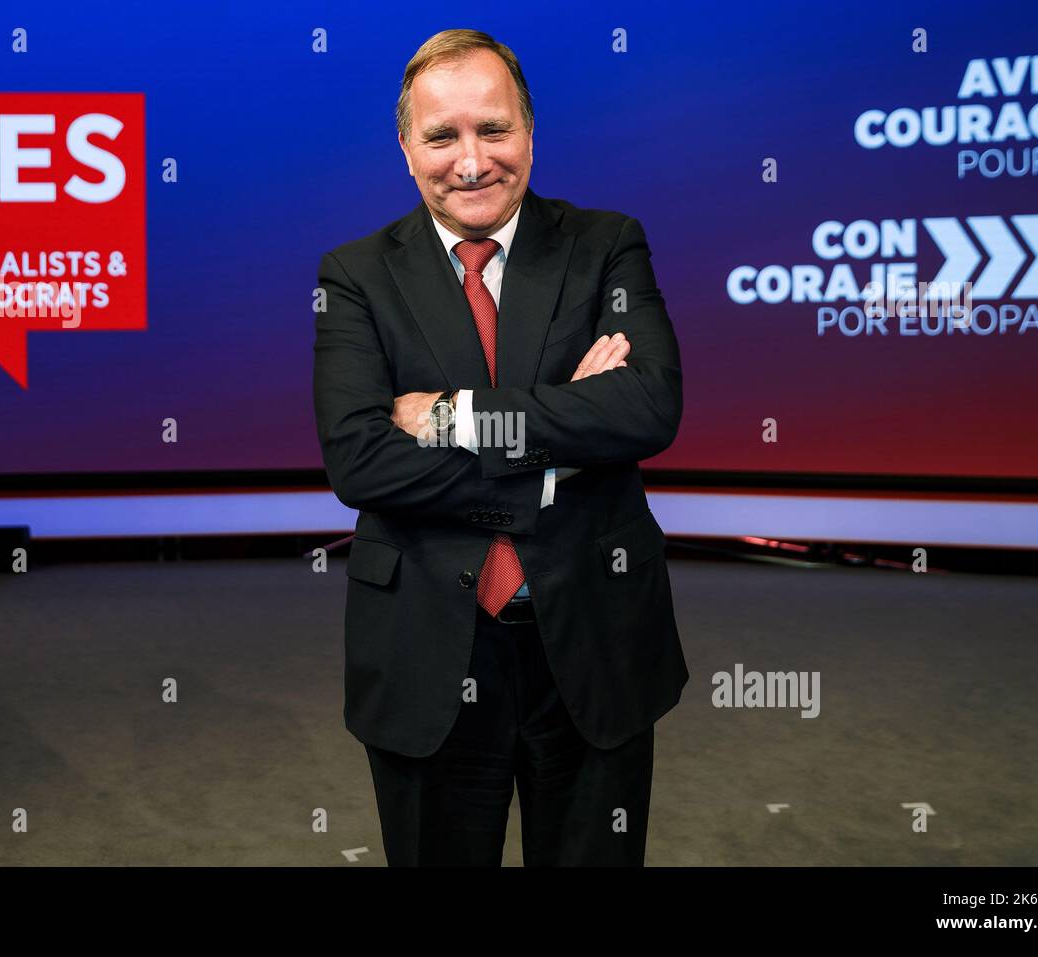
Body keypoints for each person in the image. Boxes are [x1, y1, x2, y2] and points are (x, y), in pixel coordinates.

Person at [313, 28, 688, 866]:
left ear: (532, 129)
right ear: (406, 147)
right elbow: (359, 460)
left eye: (494, 129)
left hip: (595, 642)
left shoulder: (606, 246)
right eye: (442, 136)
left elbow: (648, 407)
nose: (472, 161)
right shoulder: (354, 275)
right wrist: (559, 445)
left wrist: (452, 417)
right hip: (427, 652)